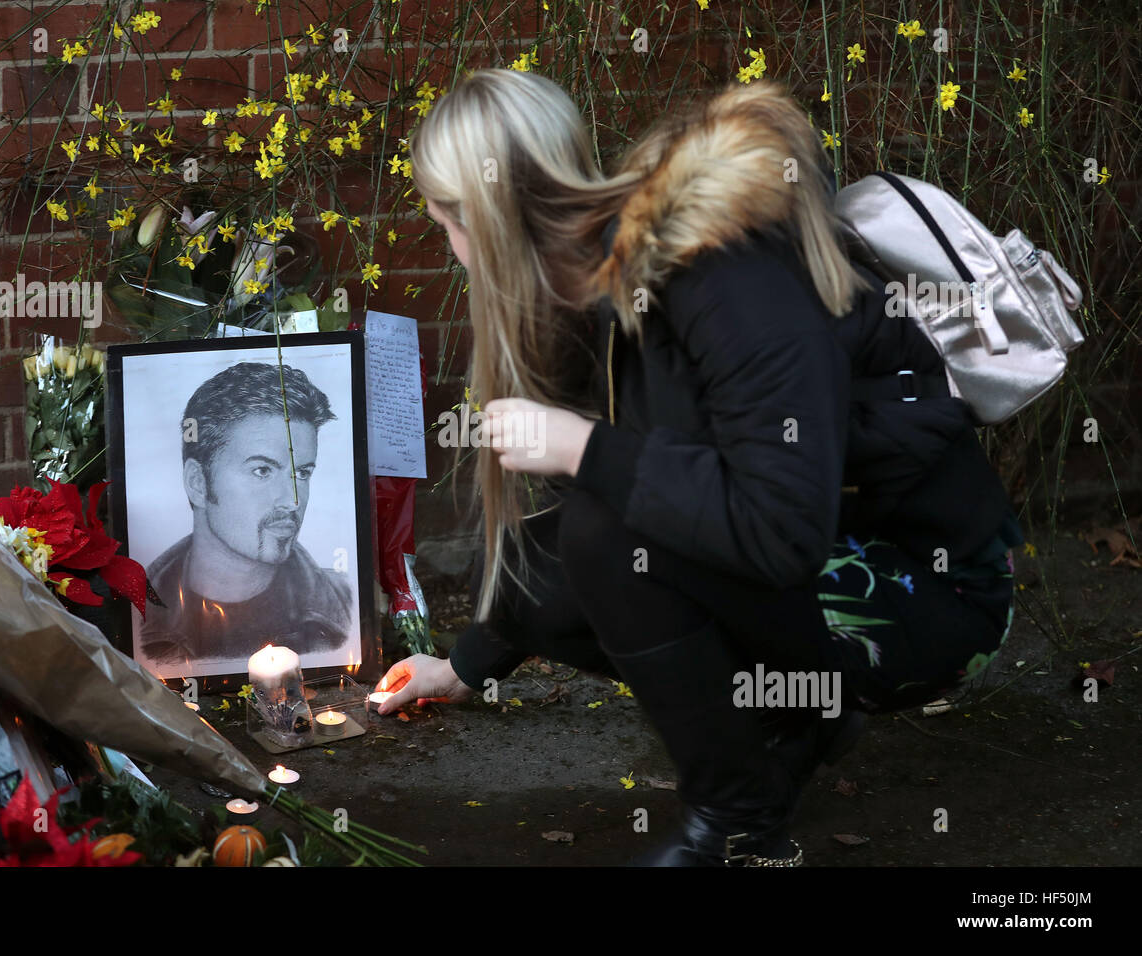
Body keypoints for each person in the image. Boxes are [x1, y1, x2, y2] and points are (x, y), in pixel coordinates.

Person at [374, 69, 1024, 866]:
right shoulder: (595, 286)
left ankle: (740, 824)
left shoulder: (728, 278)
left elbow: (779, 530)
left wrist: (584, 447)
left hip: (925, 587)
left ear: (486, 217)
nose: (453, 252)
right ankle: (804, 710)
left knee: (603, 535)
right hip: (814, 562)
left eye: (447, 223)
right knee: (534, 566)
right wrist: (462, 667)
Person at [139, 361, 355, 668]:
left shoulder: (344, 612)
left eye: (302, 473)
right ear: (198, 483)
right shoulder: (134, 613)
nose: (292, 501)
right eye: (262, 470)